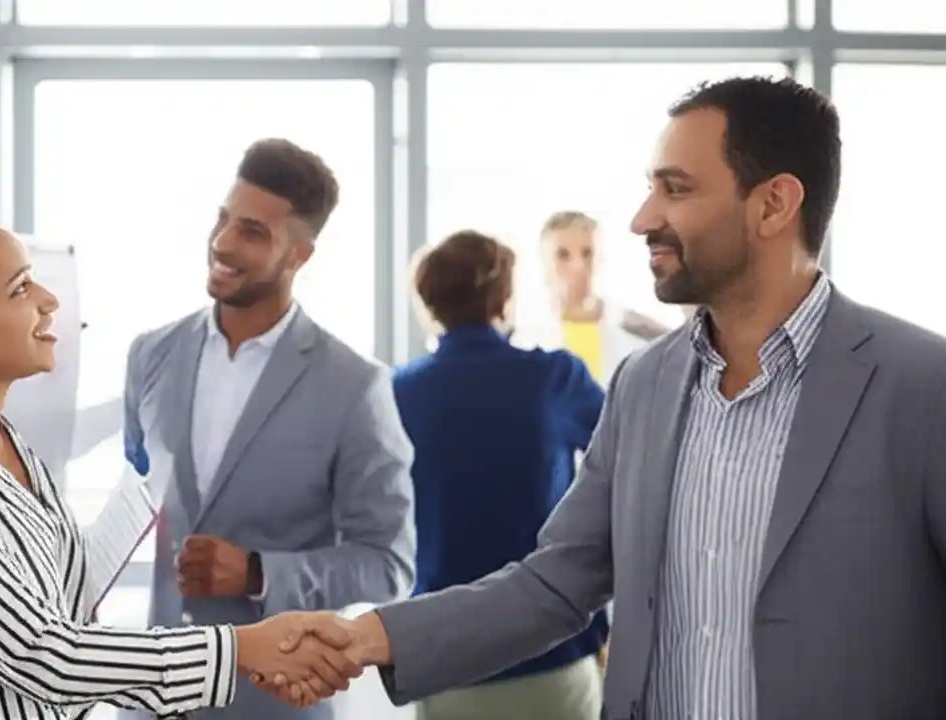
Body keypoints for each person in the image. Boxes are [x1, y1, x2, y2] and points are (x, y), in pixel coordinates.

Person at [260, 76, 946, 719]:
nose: (644, 218)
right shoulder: (643, 384)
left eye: (675, 190)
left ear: (773, 204)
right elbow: (556, 583)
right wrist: (368, 636)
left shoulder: (921, 385)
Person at [0, 199, 361, 720]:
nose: (49, 299)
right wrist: (244, 647)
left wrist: (150, 481)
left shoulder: (2, 444)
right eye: (20, 289)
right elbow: (45, 657)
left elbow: (56, 601)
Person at [121, 138, 416, 720]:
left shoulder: (356, 387)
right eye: (223, 220)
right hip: (154, 699)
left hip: (273, 705)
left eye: (252, 232)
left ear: (299, 254)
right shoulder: (149, 356)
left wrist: (259, 572)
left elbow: (389, 564)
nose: (223, 243)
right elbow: (132, 503)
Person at [394, 230, 607, 720]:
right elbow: (631, 466)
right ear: (503, 299)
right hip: (551, 650)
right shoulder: (555, 378)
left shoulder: (396, 394)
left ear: (429, 305)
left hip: (444, 654)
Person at [515, 210, 672, 384]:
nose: (578, 267)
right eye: (563, 255)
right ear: (544, 263)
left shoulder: (646, 335)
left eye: (588, 253)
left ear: (601, 259)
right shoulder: (520, 340)